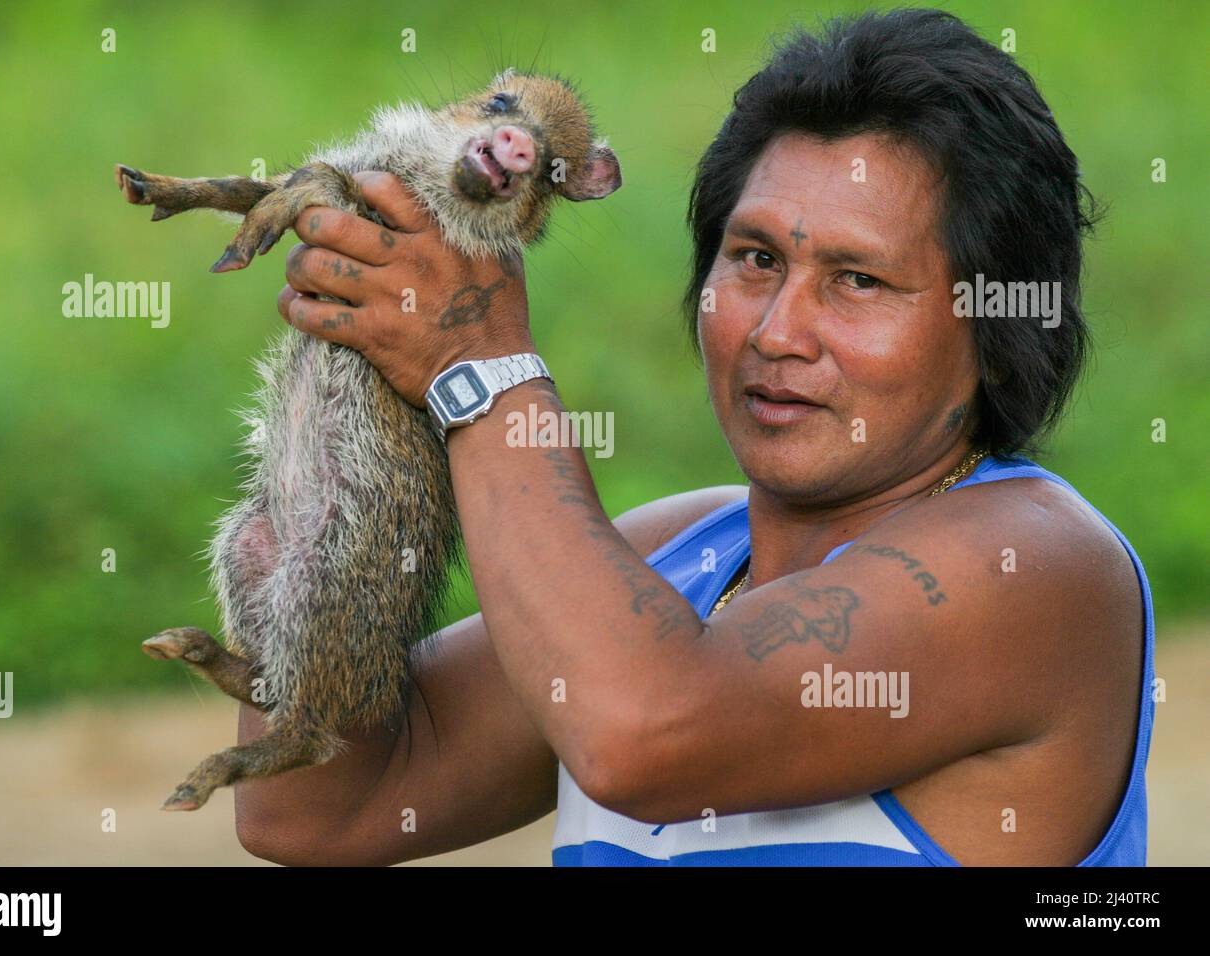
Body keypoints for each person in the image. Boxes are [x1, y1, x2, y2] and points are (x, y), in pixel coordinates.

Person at [233, 8, 1153, 866]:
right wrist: (336, 446)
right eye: (756, 260)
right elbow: (317, 810)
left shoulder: (1035, 567)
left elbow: (642, 733)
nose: (777, 331)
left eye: (860, 281)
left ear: (997, 331)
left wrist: (479, 367)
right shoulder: (682, 550)